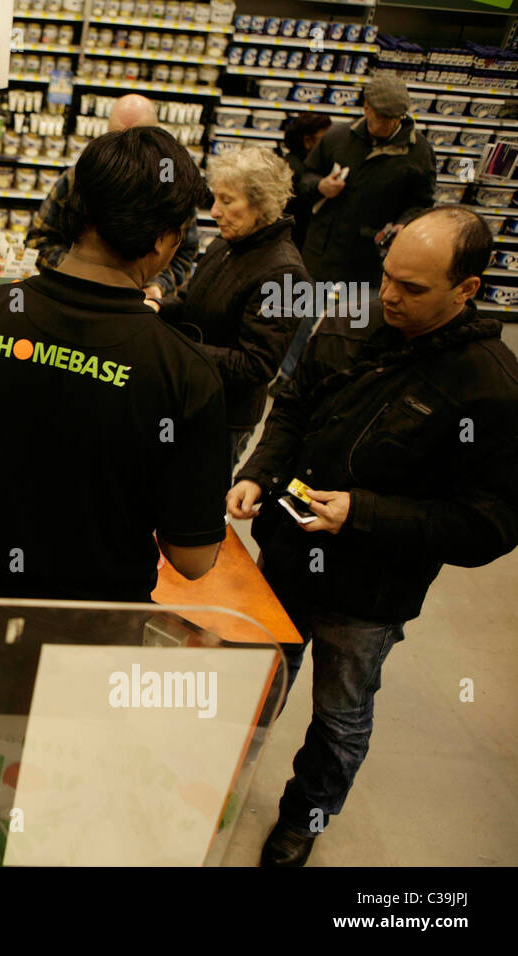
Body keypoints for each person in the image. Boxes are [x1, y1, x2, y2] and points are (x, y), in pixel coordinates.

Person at [226, 207, 518, 866]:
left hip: (367, 593)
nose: (389, 296)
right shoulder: (350, 315)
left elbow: (488, 526)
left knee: (339, 715)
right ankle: (217, 782)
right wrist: (259, 474)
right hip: (286, 553)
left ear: (467, 289)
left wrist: (362, 513)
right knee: (257, 686)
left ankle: (304, 819)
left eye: (413, 289)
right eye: (387, 277)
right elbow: (293, 406)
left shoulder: (491, 388)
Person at [0, 126, 228, 600]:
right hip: (97, 639)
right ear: (163, 241)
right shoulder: (187, 374)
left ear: (75, 210)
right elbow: (193, 559)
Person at [151, 146, 309, 473]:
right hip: (193, 399)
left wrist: (177, 349)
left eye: (227, 200)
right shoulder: (227, 244)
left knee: (197, 501)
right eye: (216, 198)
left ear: (261, 203)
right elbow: (191, 301)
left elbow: (256, 364)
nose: (215, 211)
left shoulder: (285, 275)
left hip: (223, 419)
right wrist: (153, 307)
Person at [277, 74, 436, 384]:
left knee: (360, 323)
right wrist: (320, 185)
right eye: (382, 116)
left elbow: (421, 202)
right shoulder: (337, 137)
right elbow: (303, 177)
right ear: (366, 108)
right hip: (324, 247)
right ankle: (287, 373)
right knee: (302, 314)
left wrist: (405, 223)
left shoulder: (418, 152)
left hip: (371, 256)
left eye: (395, 118)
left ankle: (344, 380)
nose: (389, 124)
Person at [27, 93, 201, 301]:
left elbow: (185, 252)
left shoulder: (174, 190)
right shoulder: (78, 178)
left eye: (138, 140)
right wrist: (83, 274)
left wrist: (157, 286)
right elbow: (41, 238)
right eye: (117, 140)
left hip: (141, 303)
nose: (126, 153)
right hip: (76, 295)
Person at [280, 112, 332, 249]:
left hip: (290, 246)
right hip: (294, 247)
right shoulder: (297, 171)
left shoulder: (287, 163)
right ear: (308, 141)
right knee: (289, 272)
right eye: (326, 139)